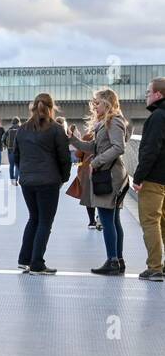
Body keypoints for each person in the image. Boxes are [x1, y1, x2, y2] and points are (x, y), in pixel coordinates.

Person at [71, 89, 132, 277]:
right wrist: (74, 140)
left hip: (109, 175)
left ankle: (112, 261)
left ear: (107, 102)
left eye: (97, 102)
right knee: (113, 220)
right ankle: (118, 260)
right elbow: (94, 147)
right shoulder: (108, 121)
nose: (94, 105)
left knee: (107, 219)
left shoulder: (113, 121)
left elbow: (118, 147)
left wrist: (96, 162)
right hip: (112, 173)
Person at [14, 93, 72, 275]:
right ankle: (37, 263)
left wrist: (24, 173)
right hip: (48, 181)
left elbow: (16, 155)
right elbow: (64, 158)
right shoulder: (55, 129)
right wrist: (63, 177)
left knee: (34, 218)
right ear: (51, 108)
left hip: (27, 181)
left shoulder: (22, 129)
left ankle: (24, 259)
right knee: (45, 221)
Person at [131, 77, 165, 281]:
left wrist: (138, 176)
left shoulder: (157, 117)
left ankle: (154, 267)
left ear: (158, 95)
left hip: (154, 179)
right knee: (163, 223)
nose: (146, 96)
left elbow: (150, 150)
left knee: (150, 221)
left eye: (148, 92)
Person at [4, 116, 21, 184]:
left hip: (10, 149)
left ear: (12, 122)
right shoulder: (21, 129)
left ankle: (12, 179)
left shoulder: (9, 130)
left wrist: (6, 145)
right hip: (19, 150)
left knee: (11, 165)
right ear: (18, 122)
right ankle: (16, 180)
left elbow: (3, 139)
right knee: (17, 165)